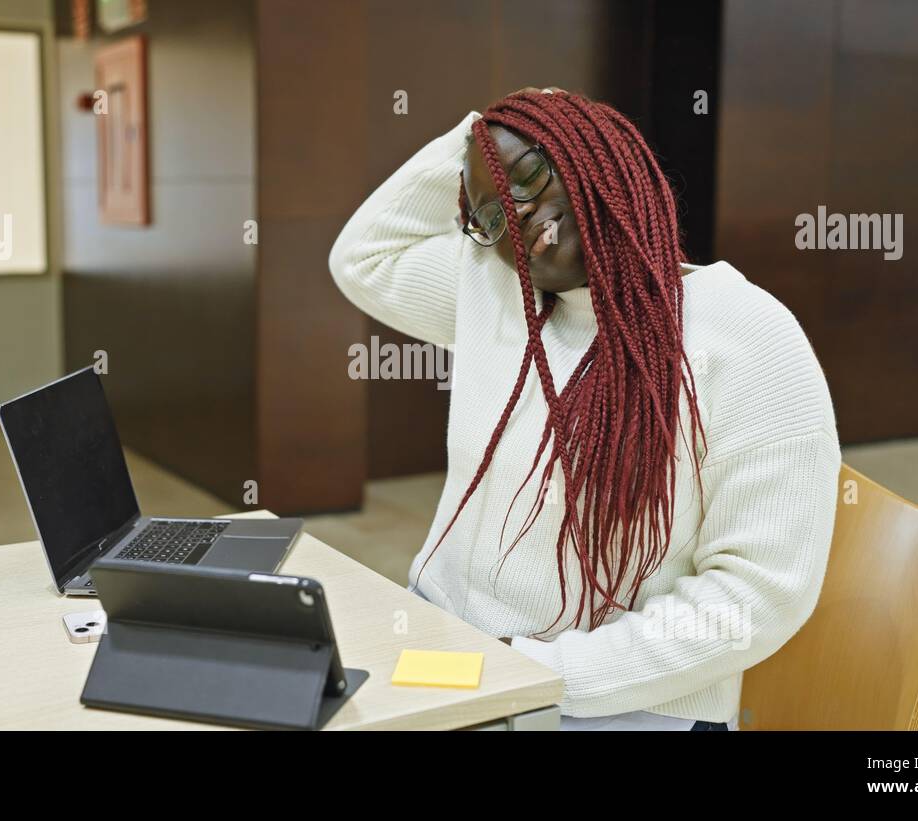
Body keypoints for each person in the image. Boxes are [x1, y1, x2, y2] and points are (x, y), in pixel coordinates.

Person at [329, 88, 841, 730]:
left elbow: (758, 596)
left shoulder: (746, 336)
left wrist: (541, 676)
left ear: (601, 157)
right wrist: (479, 133)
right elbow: (363, 258)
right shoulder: (498, 289)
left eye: (532, 176)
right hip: (449, 655)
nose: (517, 220)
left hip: (610, 701)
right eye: (491, 215)